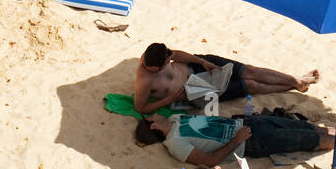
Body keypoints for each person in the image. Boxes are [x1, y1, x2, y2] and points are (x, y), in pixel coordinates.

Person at [133, 42, 320, 113]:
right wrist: (170, 99)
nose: (169, 61)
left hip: (198, 65)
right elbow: (141, 107)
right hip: (197, 89)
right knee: (250, 85)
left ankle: (296, 81)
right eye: (166, 63)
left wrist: (201, 61)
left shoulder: (155, 53)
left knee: (250, 71)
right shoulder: (145, 82)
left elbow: (177, 55)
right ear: (154, 67)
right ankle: (296, 83)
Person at [137, 109, 336, 163]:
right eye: (152, 118)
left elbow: (207, 120)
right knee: (306, 140)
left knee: (308, 129)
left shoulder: (176, 120)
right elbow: (209, 161)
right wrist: (237, 140)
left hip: (246, 122)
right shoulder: (175, 144)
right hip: (249, 142)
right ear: (154, 128)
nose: (156, 114)